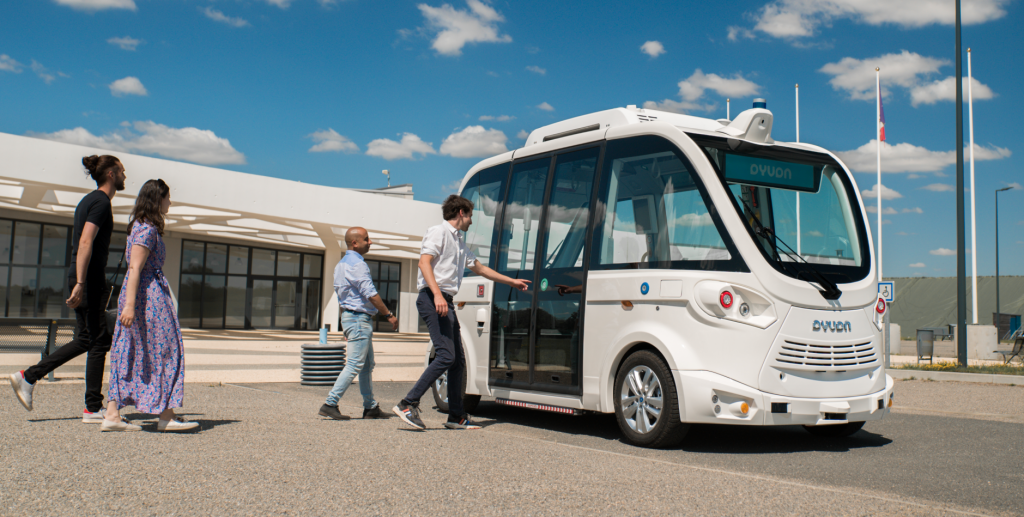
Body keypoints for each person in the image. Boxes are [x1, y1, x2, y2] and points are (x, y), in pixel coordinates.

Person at [393, 195, 529, 430]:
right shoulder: (439, 232)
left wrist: (511, 282)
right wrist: (436, 294)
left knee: (458, 362)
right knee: (446, 356)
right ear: (460, 213)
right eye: (470, 216)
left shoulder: (459, 242)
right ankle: (407, 403)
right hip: (432, 299)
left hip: (445, 301)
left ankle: (456, 416)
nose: (471, 222)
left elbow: (481, 268)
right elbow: (424, 263)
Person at [8, 155, 125, 423]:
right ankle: (90, 407)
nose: (124, 175)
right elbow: (86, 242)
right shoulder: (100, 202)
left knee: (87, 339)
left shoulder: (87, 200)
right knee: (98, 341)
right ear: (110, 173)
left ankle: (32, 379)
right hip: (89, 279)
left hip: (83, 276)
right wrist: (82, 283)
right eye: (121, 171)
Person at [101, 179, 196, 432]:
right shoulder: (147, 229)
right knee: (166, 350)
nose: (170, 202)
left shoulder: (141, 227)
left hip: (144, 296)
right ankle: (165, 416)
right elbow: (135, 268)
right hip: (147, 299)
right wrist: (130, 305)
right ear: (157, 199)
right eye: (167, 197)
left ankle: (114, 414)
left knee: (131, 350)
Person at [319, 227, 398, 421]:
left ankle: (370, 408)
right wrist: (388, 314)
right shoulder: (357, 265)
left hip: (352, 318)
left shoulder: (340, 265)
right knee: (355, 364)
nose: (370, 242)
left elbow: (341, 296)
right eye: (366, 239)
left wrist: (345, 322)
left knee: (367, 364)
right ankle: (330, 403)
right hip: (359, 320)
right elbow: (370, 293)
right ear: (355, 243)